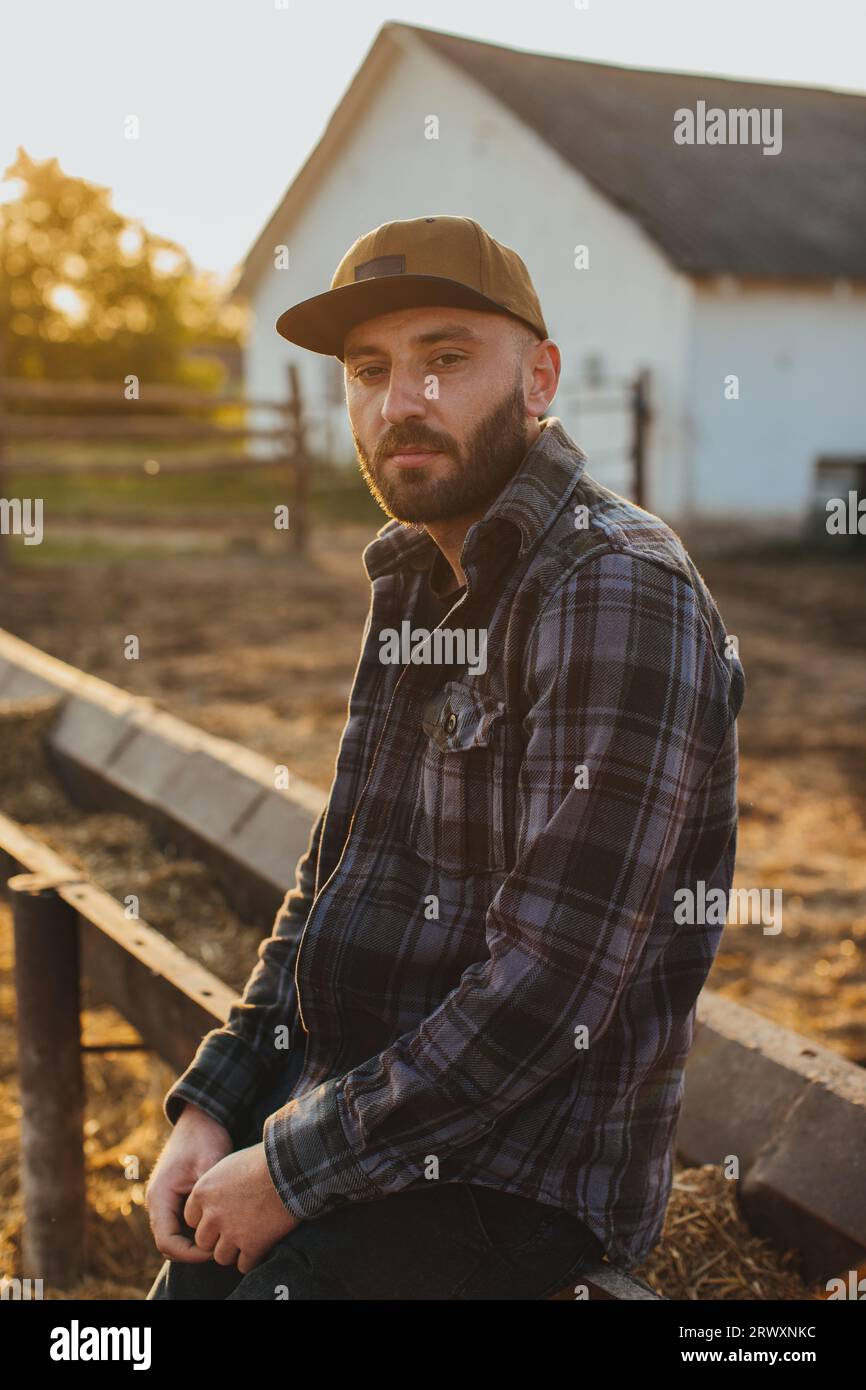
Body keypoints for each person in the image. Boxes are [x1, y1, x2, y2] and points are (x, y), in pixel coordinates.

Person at [146, 215, 744, 1300]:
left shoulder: (613, 590)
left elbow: (544, 987)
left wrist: (288, 1166)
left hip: (512, 1178)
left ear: (540, 376)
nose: (399, 400)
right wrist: (218, 1102)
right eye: (368, 370)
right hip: (357, 1119)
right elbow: (332, 879)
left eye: (446, 359)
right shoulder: (416, 576)